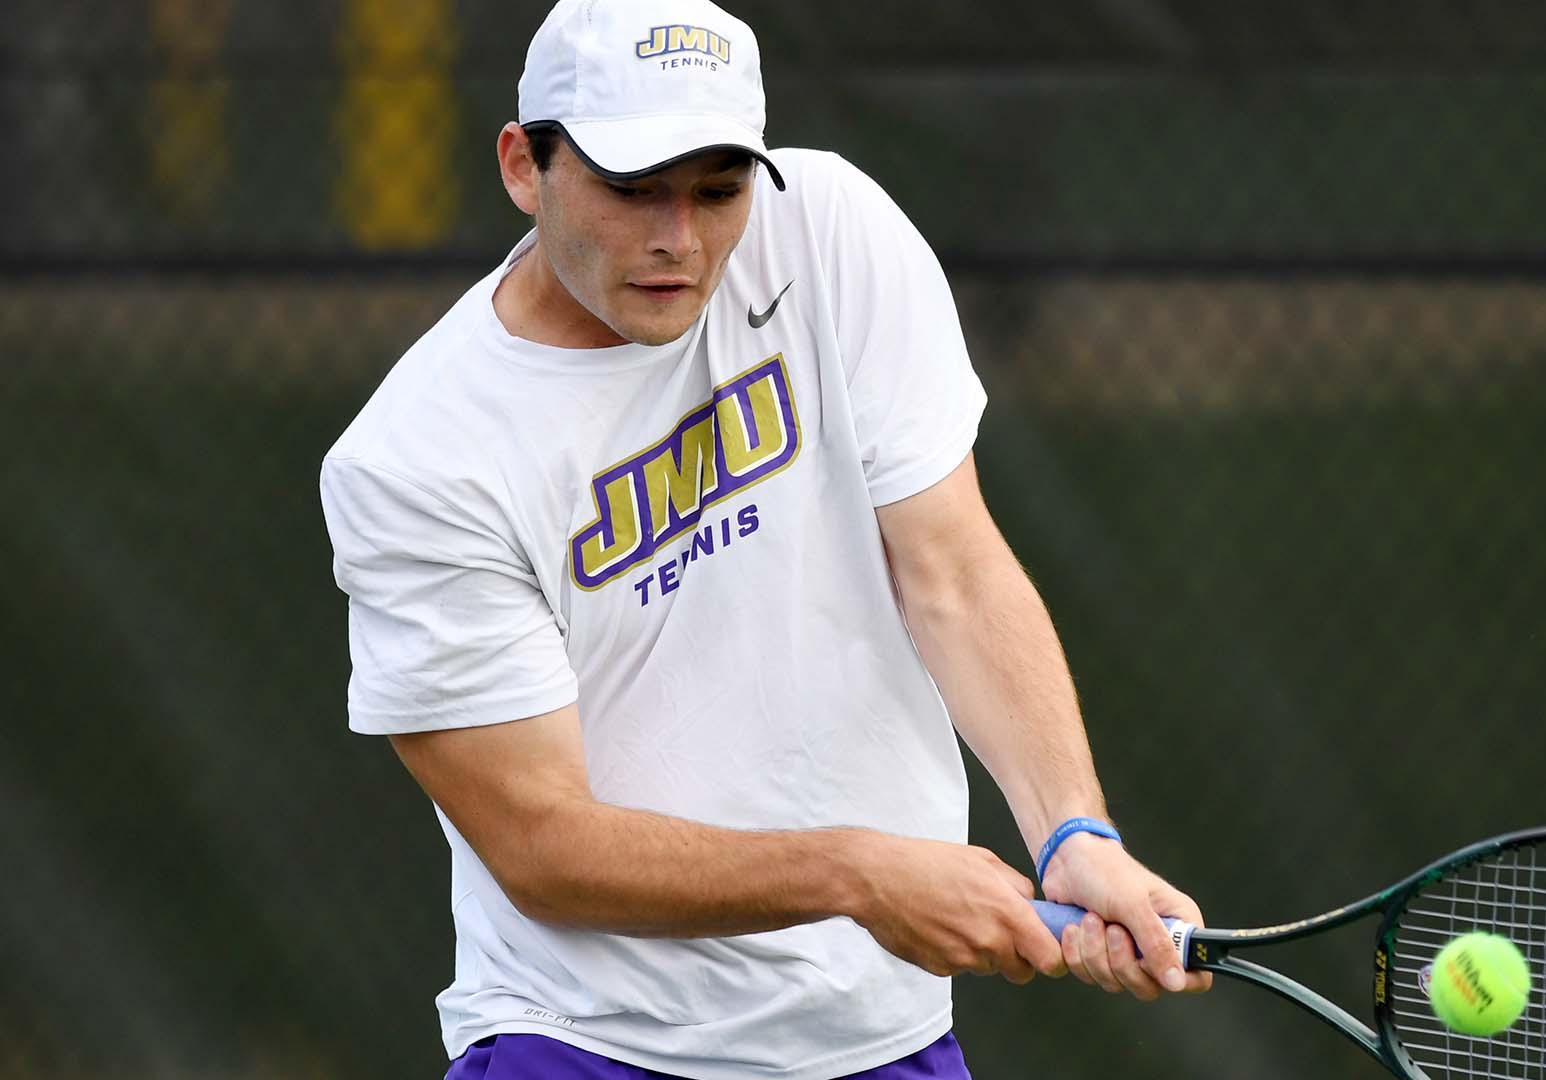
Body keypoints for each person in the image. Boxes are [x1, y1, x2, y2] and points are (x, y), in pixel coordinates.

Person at [318, 1, 1206, 1076]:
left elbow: (954, 572)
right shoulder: (417, 462)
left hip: (887, 1041)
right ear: (523, 166)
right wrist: (860, 876)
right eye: (633, 188)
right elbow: (542, 844)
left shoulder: (831, 230)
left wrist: (1074, 836)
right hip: (587, 1049)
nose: (679, 240)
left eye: (717, 189)